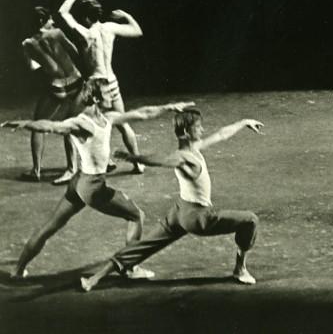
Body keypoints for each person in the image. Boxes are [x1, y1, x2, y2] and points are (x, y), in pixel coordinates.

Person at [1, 79, 194, 280]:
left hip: (79, 183)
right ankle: (130, 268)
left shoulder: (107, 118)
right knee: (136, 216)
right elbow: (52, 126)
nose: (112, 95)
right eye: (107, 93)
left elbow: (142, 113)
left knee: (50, 226)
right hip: (91, 187)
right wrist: (25, 124)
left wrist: (170, 107)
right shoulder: (83, 122)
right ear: (95, 97)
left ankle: (18, 270)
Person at [80, 109, 262, 291]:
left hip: (179, 211)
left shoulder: (194, 148)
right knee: (250, 220)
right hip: (198, 217)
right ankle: (240, 269)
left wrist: (244, 122)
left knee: (142, 247)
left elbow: (221, 134)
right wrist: (132, 157)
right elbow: (160, 161)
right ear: (185, 132)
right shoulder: (182, 157)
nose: (202, 130)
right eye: (197, 127)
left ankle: (94, 280)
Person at [58, 0, 146, 174]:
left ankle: (71, 170)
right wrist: (126, 15)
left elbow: (62, 13)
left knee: (71, 122)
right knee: (122, 123)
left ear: (86, 18)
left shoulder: (85, 33)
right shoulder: (109, 28)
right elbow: (137, 31)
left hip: (96, 86)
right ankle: (138, 163)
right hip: (112, 82)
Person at [20, 7, 83, 183]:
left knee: (38, 125)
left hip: (57, 86)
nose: (53, 21)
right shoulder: (57, 33)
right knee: (73, 123)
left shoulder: (27, 43)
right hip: (76, 81)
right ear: (43, 21)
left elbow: (32, 67)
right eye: (50, 19)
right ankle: (75, 167)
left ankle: (36, 170)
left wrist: (45, 63)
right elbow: (75, 51)